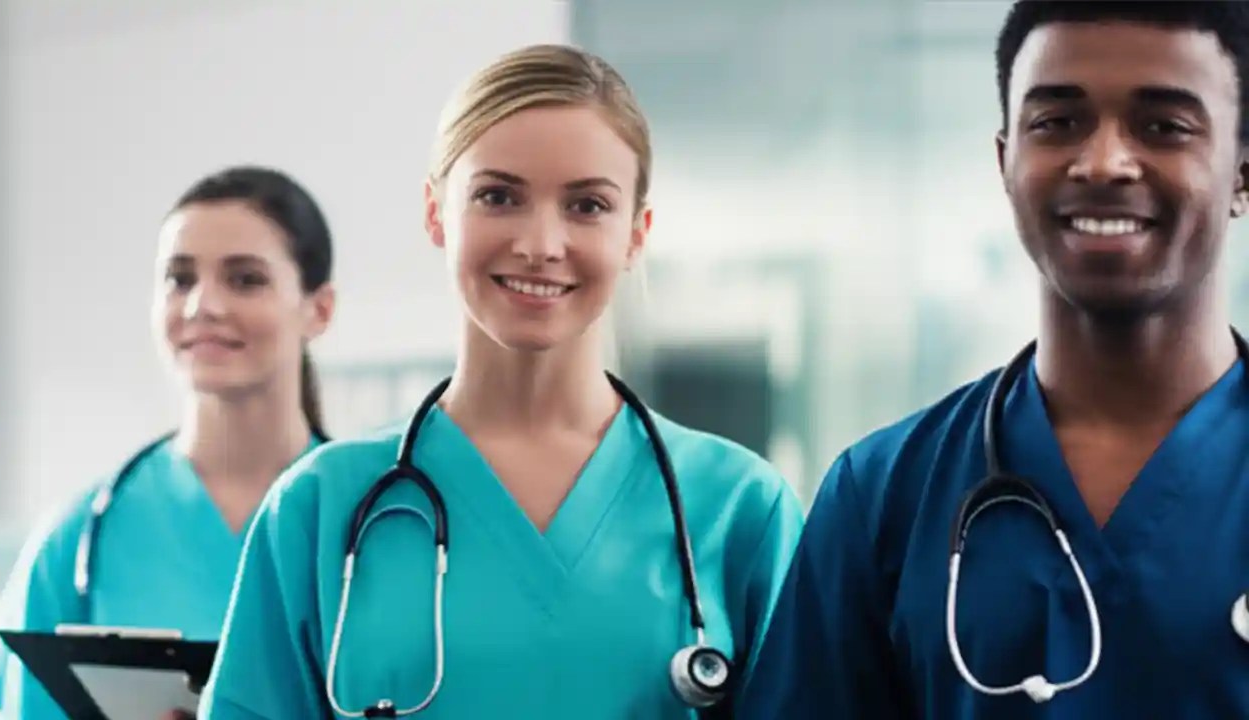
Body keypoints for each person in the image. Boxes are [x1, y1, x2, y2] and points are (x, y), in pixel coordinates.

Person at [197, 44, 804, 720]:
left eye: (587, 206)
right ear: (435, 213)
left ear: (637, 234)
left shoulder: (738, 508)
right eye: (498, 196)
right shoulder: (320, 508)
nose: (541, 242)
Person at [740, 1, 1249, 717]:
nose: (1103, 161)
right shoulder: (884, 496)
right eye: (1057, 123)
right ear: (1005, 161)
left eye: (1163, 126)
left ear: (1242, 172)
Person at [0, 165, 338, 719]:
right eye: (179, 278)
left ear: (319, 309)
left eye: (244, 279)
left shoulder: (370, 521)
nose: (202, 306)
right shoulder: (75, 541)